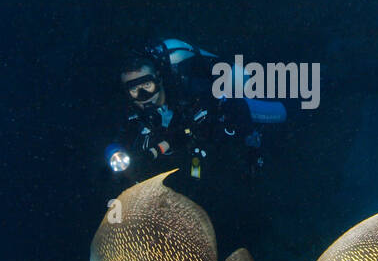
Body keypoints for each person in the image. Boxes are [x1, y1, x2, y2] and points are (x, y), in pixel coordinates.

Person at [105, 39, 286, 189]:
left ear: (158, 79)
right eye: (134, 90)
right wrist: (116, 154)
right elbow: (117, 142)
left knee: (279, 113)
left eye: (147, 86)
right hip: (185, 140)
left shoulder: (190, 89)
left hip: (222, 108)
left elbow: (230, 108)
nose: (143, 96)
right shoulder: (130, 112)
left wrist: (251, 150)